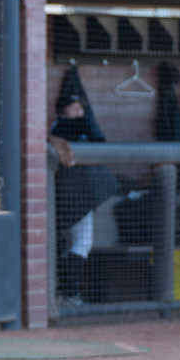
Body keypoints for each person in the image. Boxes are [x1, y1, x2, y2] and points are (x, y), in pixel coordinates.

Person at [49, 69, 118, 305]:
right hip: (66, 197)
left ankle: (67, 292)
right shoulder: (58, 128)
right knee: (77, 243)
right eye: (74, 108)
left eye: (81, 108)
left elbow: (99, 138)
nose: (80, 113)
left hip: (79, 196)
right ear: (62, 111)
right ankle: (67, 292)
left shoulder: (80, 127)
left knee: (79, 243)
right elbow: (86, 131)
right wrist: (83, 121)